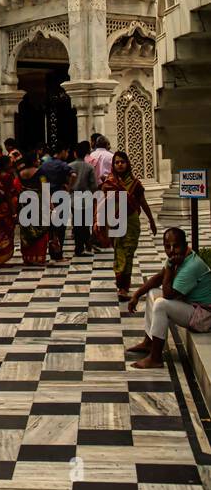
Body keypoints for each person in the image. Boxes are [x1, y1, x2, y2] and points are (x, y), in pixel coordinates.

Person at [126, 227, 211, 369]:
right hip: (192, 308)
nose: (171, 250)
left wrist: (170, 268)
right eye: (167, 246)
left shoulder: (191, 265)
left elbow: (167, 294)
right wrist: (136, 294)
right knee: (153, 292)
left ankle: (156, 358)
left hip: (204, 316)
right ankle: (149, 342)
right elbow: (159, 278)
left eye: (176, 246)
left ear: (185, 245)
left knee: (161, 304)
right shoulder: (177, 258)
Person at [98, 150, 157, 299]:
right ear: (113, 165)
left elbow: (143, 202)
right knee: (119, 252)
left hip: (131, 222)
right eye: (116, 162)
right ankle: (121, 285)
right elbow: (102, 203)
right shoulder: (109, 183)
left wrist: (151, 220)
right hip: (115, 222)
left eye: (122, 162)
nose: (119, 165)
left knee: (128, 253)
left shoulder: (136, 184)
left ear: (127, 164)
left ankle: (124, 287)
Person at [39, 146, 75, 261]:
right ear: (62, 151)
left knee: (50, 227)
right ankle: (59, 254)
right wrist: (69, 187)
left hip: (47, 197)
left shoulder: (44, 165)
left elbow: (41, 179)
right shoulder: (62, 164)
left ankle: (52, 252)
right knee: (60, 227)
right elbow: (73, 175)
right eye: (66, 151)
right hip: (60, 196)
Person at [0, 154, 21, 267]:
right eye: (10, 162)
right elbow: (8, 195)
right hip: (5, 208)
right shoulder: (6, 176)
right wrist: (14, 213)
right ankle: (1, 260)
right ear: (7, 164)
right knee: (5, 233)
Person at [17, 150, 48, 264]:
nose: (39, 160)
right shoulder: (41, 172)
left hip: (24, 202)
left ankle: (28, 257)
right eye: (37, 158)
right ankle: (38, 256)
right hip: (37, 203)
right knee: (40, 228)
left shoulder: (20, 172)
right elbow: (45, 188)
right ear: (34, 160)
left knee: (26, 229)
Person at [69, 142, 97, 255]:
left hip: (74, 198)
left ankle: (78, 247)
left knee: (77, 224)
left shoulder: (70, 166)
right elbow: (94, 185)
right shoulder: (89, 167)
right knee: (85, 224)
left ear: (75, 154)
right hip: (86, 198)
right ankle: (86, 245)